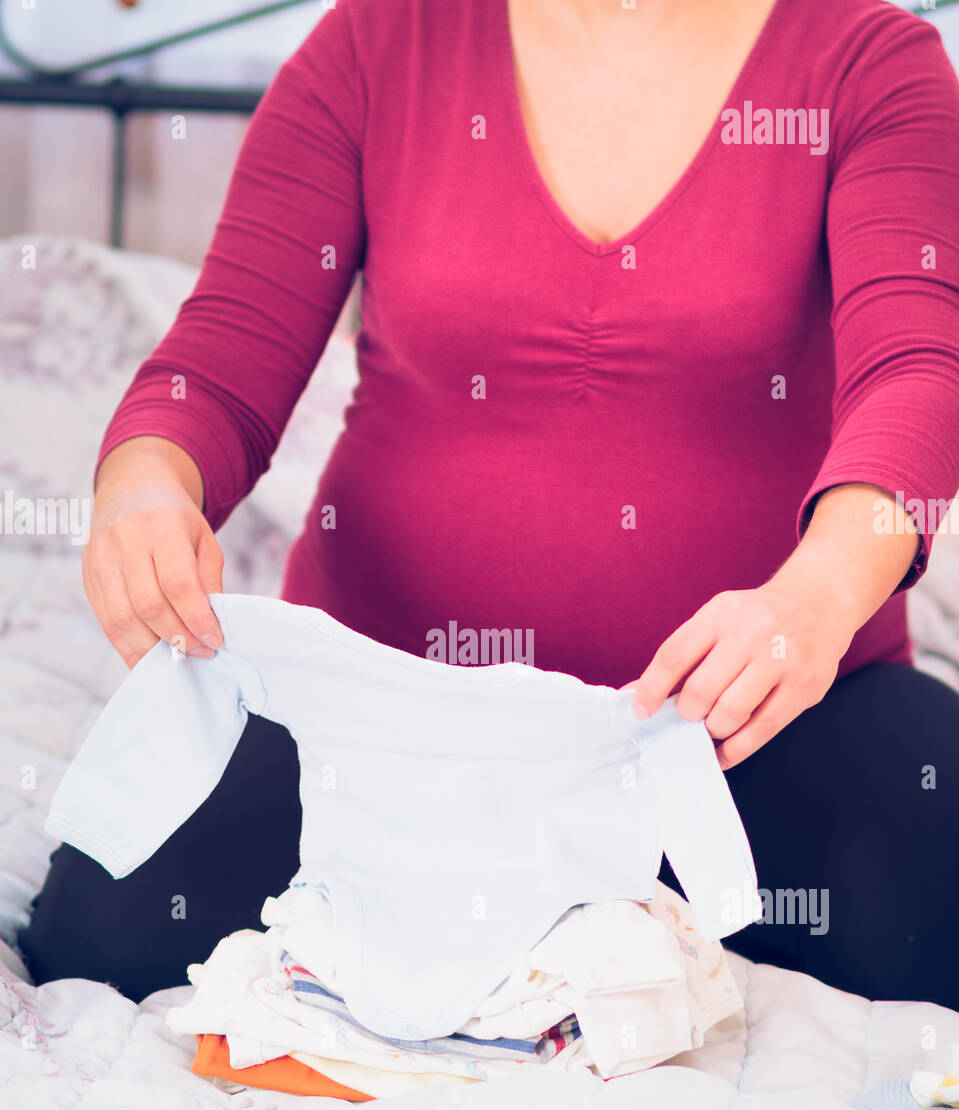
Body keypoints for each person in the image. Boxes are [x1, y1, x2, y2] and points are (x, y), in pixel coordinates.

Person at [20, 0, 959, 1009]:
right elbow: (220, 360)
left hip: (748, 728)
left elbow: (916, 369)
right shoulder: (372, 45)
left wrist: (812, 601)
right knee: (100, 937)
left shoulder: (872, 60)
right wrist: (145, 484)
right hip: (382, 716)